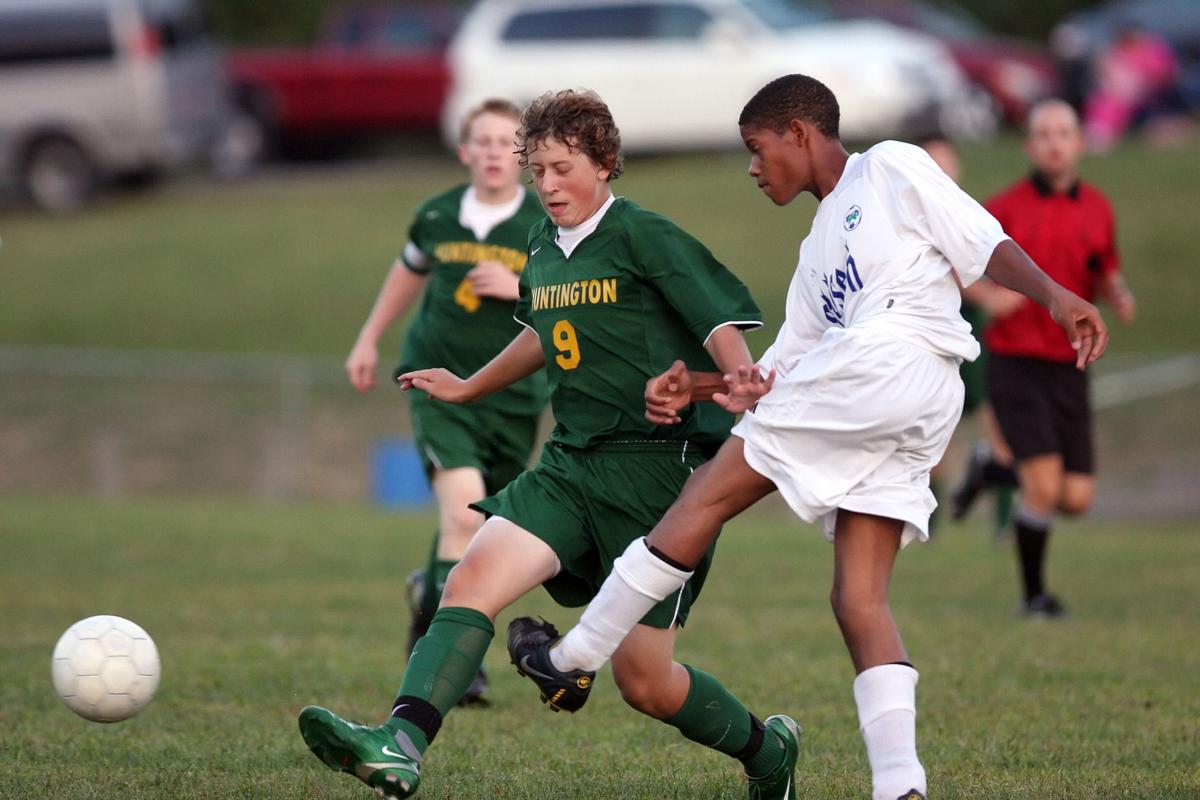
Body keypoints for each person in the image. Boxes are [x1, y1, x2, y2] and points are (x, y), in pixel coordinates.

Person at [507, 76, 1109, 800]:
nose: (752, 168)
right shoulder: (815, 255)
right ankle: (901, 784)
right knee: (859, 599)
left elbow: (982, 240)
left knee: (704, 496)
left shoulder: (887, 165)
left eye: (757, 149)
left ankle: (574, 655)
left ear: (799, 133)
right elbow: (771, 379)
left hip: (889, 361)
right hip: (912, 399)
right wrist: (696, 386)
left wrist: (1054, 296)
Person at [298, 89, 802, 800]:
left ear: (604, 161)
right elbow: (543, 332)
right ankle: (398, 745)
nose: (549, 185)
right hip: (571, 461)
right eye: (537, 171)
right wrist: (470, 387)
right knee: (470, 579)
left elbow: (716, 316)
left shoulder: (643, 234)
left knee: (645, 682)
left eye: (562, 168)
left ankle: (768, 752)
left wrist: (738, 372)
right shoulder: (539, 241)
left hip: (661, 474)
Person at [343, 98, 549, 702]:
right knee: (461, 516)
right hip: (436, 384)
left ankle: (426, 598)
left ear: (523, 157)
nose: (493, 152)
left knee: (486, 530)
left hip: (513, 397)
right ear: (464, 152)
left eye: (506, 143)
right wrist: (369, 337)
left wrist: (519, 286)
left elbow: (570, 294)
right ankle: (458, 666)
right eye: (482, 141)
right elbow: (407, 271)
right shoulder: (436, 215)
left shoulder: (543, 223)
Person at [961, 99, 1135, 617]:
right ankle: (1034, 598)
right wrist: (989, 298)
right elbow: (953, 265)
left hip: (1071, 364)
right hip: (1015, 362)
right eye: (1044, 134)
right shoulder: (1002, 208)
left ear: (1079, 143)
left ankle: (993, 467)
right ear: (1029, 145)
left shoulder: (1098, 207)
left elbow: (1104, 267)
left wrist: (1117, 291)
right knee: (1043, 484)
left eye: (1063, 133)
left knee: (1076, 497)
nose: (1054, 143)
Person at [915, 135, 1023, 536]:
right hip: (931, 336)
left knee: (999, 424)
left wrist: (1010, 293)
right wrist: (990, 297)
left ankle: (1004, 523)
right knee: (933, 434)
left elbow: (986, 257)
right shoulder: (912, 215)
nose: (943, 169)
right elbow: (949, 271)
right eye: (933, 162)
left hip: (975, 335)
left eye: (948, 161)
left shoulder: (966, 212)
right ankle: (928, 522)